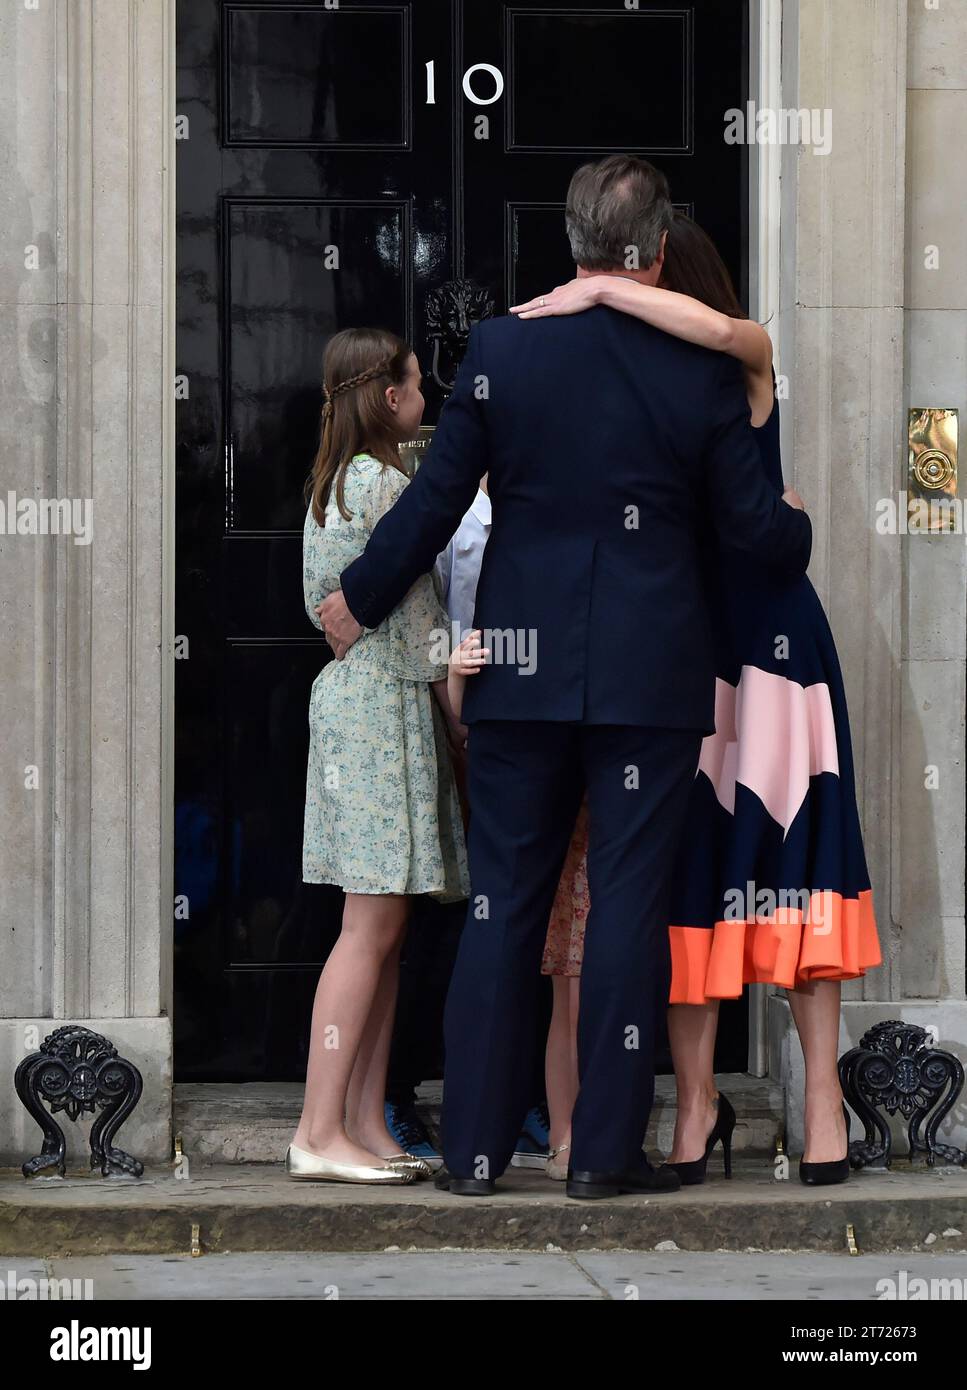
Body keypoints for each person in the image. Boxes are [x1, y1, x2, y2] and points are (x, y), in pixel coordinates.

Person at [318, 155, 811, 1200]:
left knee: (503, 904)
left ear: (574, 247)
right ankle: (600, 1156)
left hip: (522, 669)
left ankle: (473, 1153)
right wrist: (797, 524)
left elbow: (436, 503)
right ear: (661, 247)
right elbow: (755, 535)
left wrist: (358, 596)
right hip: (649, 675)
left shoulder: (502, 349)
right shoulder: (698, 371)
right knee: (627, 910)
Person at [513, 211, 881, 1187]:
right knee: (684, 879)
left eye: (637, 278)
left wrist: (595, 287)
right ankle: (700, 1104)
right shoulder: (637, 383)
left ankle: (819, 1104)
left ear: (666, 271)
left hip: (772, 647)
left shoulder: (739, 357)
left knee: (800, 861)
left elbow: (731, 333)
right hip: (682, 647)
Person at [287, 327, 469, 1186]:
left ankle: (363, 1122)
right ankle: (319, 1128)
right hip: (380, 714)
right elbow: (424, 621)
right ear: (386, 397)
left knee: (383, 928)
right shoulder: (385, 483)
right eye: (414, 384)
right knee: (369, 929)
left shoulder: (334, 481)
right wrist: (460, 698)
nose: (425, 397)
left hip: (358, 708)